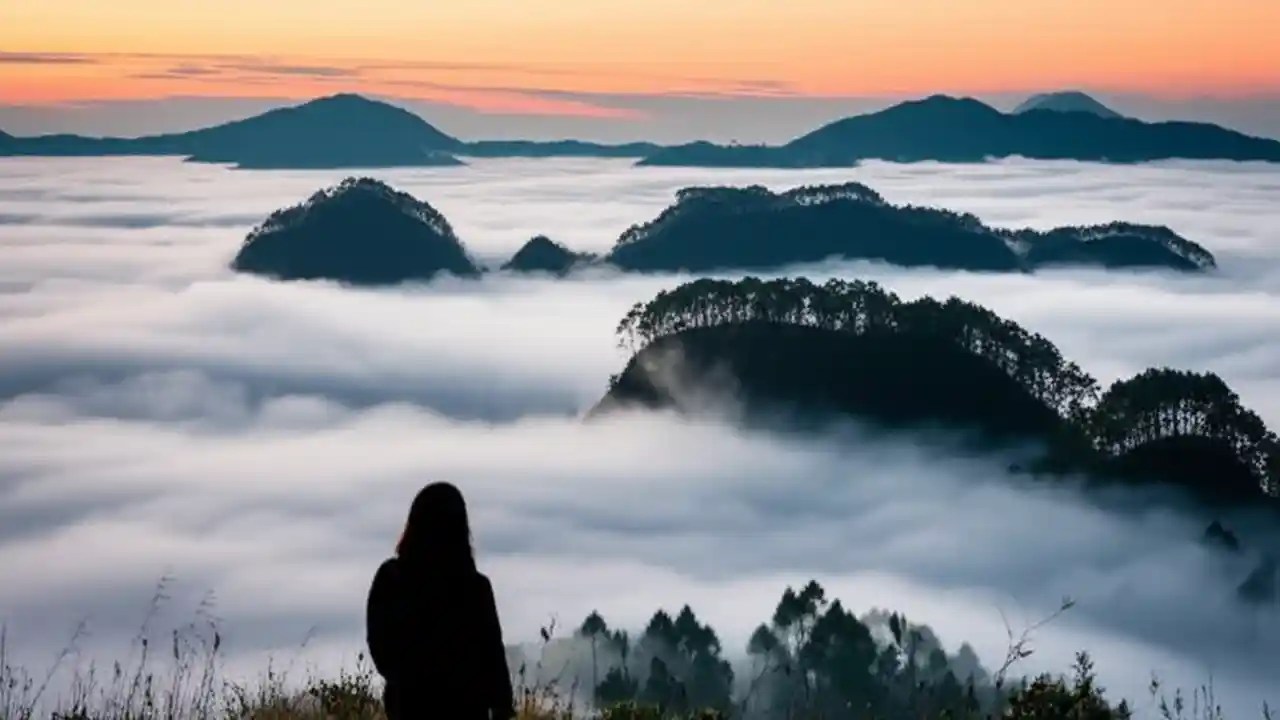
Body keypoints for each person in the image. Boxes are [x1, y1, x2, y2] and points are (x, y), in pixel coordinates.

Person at [367, 482, 515, 719]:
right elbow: (492, 658)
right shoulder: (476, 588)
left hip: (409, 708)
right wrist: (501, 706)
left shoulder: (392, 578)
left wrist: (410, 681)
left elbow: (381, 648)